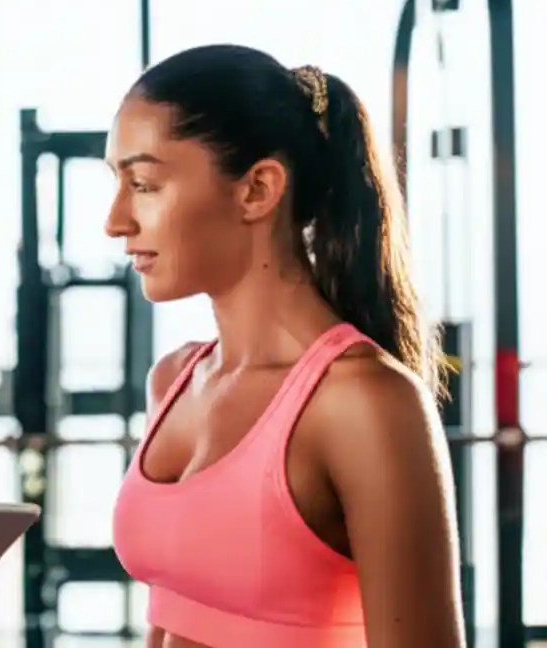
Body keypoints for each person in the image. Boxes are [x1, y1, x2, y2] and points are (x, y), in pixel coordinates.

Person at [106, 44, 465, 648]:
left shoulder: (365, 402)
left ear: (257, 189)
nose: (116, 220)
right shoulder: (173, 382)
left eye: (143, 184)